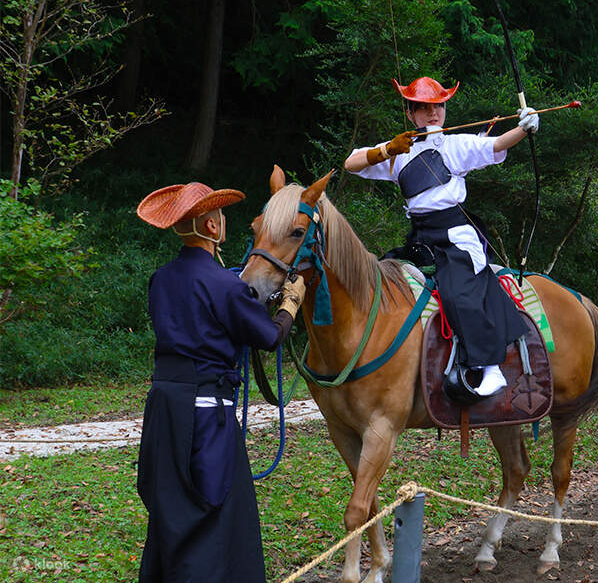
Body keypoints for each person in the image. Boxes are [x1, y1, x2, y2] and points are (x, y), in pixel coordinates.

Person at [135, 182, 306, 582]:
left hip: (163, 409)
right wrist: (291, 303)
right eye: (221, 217)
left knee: (172, 508)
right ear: (212, 227)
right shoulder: (226, 286)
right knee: (216, 511)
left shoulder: (161, 279)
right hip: (206, 414)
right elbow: (268, 337)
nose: (224, 221)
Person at [343, 76, 538, 397]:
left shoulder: (454, 145)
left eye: (438, 106)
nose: (433, 113)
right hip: (421, 239)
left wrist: (524, 127)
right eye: (423, 108)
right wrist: (387, 149)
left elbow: (496, 144)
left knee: (460, 292)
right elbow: (351, 163)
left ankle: (490, 367)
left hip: (455, 236)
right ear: (410, 113)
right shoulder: (399, 149)